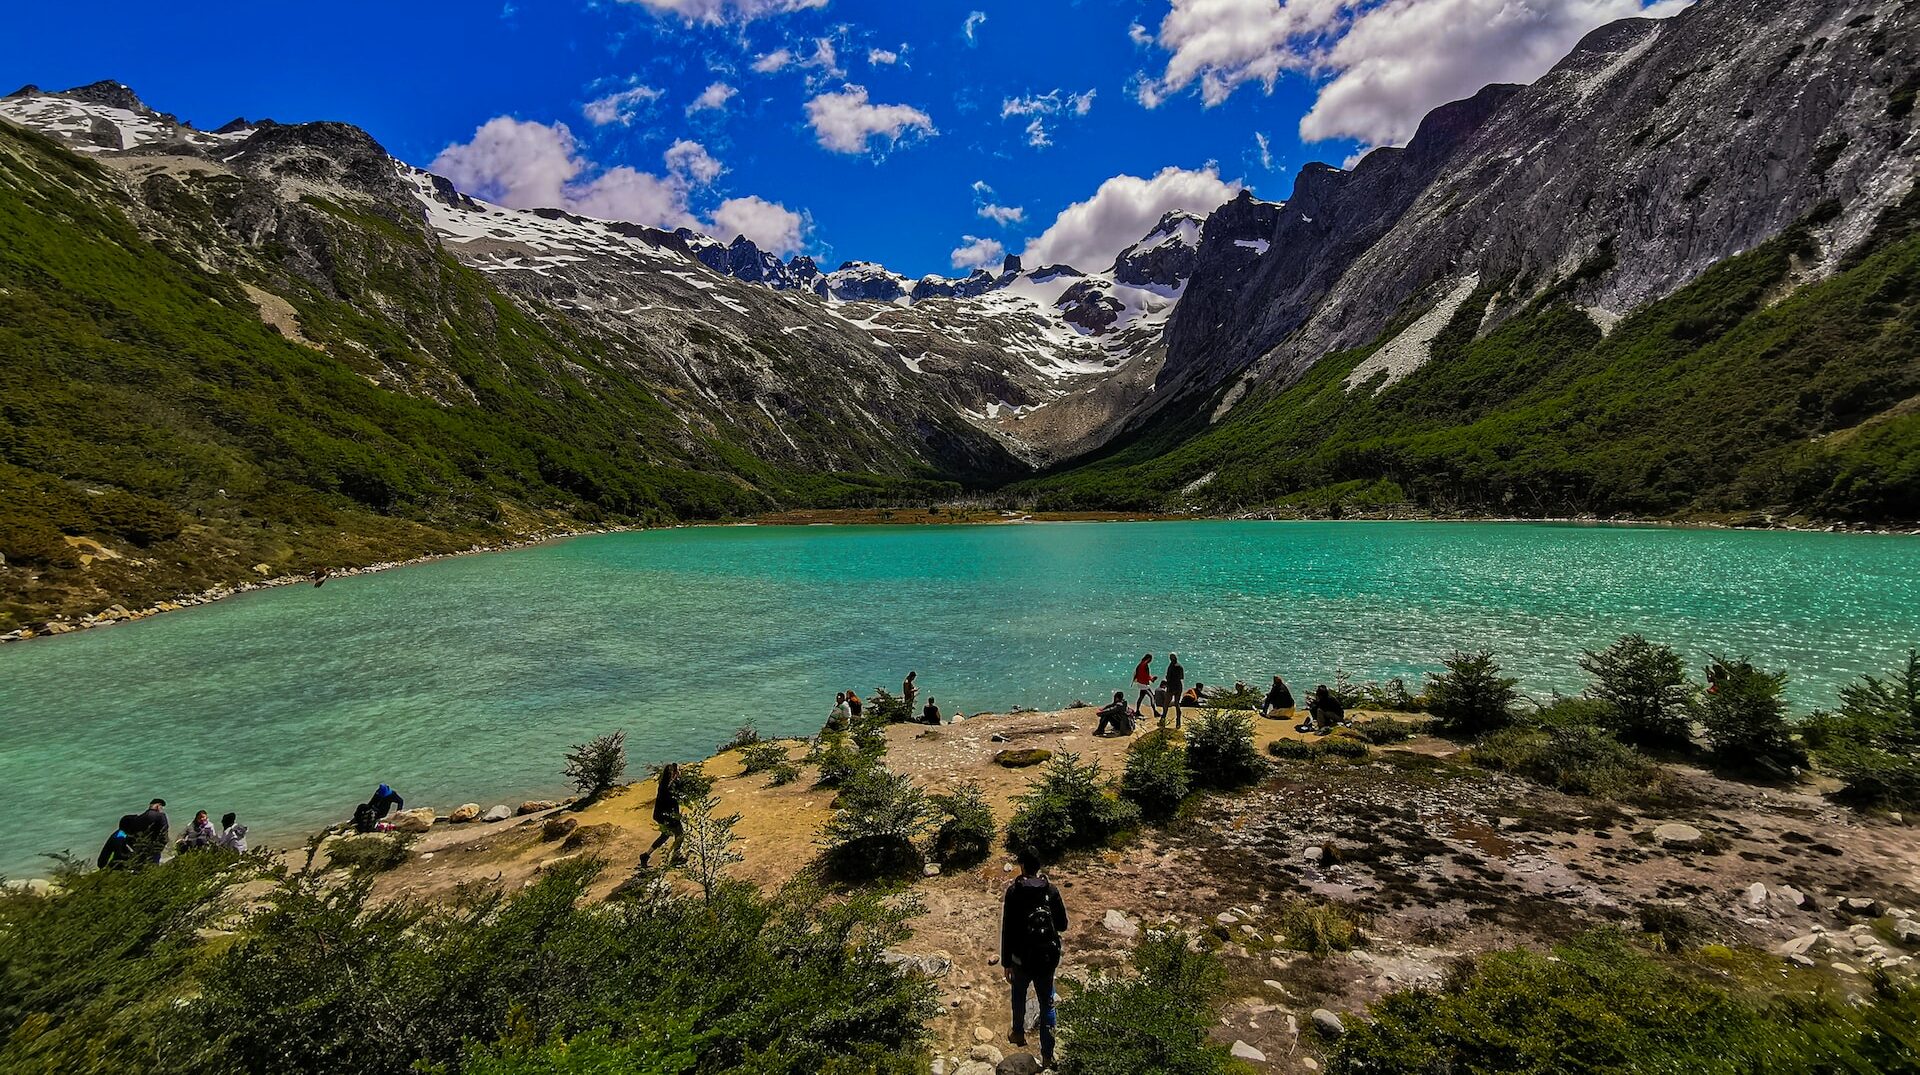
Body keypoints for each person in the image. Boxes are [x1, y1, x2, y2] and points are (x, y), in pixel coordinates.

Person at [1001, 847, 1067, 1068]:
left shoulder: (1014, 892)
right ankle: (1048, 1054)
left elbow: (1007, 929)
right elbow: (1063, 925)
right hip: (1046, 958)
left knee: (1019, 994)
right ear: (1039, 866)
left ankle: (1018, 1033)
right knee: (1047, 1004)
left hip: (1020, 958)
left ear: (1022, 866)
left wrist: (1006, 962)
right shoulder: (1052, 890)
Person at [639, 762, 684, 869]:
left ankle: (646, 855)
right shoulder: (668, 787)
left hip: (661, 815)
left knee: (665, 835)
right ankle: (675, 856)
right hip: (668, 816)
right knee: (680, 834)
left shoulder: (663, 784)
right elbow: (674, 796)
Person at [130, 799, 169, 865]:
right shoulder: (161, 816)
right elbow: (164, 830)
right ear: (158, 806)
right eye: (161, 807)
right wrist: (163, 843)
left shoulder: (140, 817)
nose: (161, 809)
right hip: (155, 846)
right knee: (154, 864)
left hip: (142, 846)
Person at [1163, 654, 1187, 729]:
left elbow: (1168, 677)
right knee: (1177, 703)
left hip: (1171, 686)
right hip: (1179, 686)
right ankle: (1178, 722)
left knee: (1166, 703)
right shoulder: (1180, 666)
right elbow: (1182, 677)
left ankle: (1163, 718)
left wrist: (1168, 679)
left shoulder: (1171, 666)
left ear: (1170, 659)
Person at [1131, 653, 1157, 717]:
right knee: (1152, 697)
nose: (1151, 661)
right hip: (1144, 684)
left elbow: (1141, 674)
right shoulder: (1145, 665)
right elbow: (1146, 675)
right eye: (1151, 659)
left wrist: (1151, 679)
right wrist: (1152, 679)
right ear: (1148, 659)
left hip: (1140, 683)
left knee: (1141, 697)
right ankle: (1155, 712)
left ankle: (1137, 711)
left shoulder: (1140, 664)